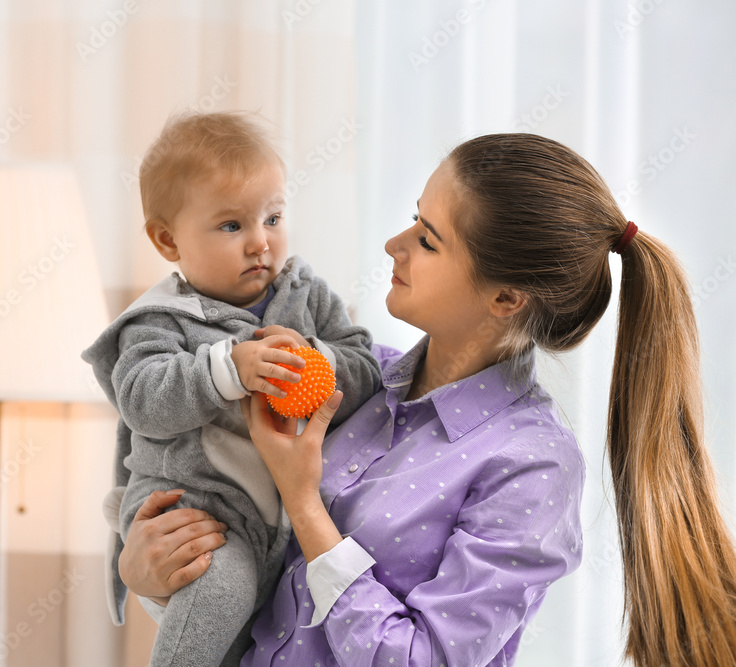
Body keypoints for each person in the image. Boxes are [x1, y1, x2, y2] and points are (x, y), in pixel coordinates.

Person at [118, 133, 736, 666]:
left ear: (506, 299)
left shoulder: (532, 465)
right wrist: (152, 577)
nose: (395, 244)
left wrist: (306, 505)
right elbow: (258, 583)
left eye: (429, 239)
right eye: (414, 218)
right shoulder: (350, 385)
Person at [82, 111, 382, 667]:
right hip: (199, 514)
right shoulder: (160, 321)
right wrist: (226, 370)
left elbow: (367, 368)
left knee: (262, 633)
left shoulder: (306, 296)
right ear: (168, 240)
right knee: (221, 593)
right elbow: (143, 400)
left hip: (279, 521)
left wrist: (320, 361)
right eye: (231, 226)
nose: (259, 243)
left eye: (272, 217)